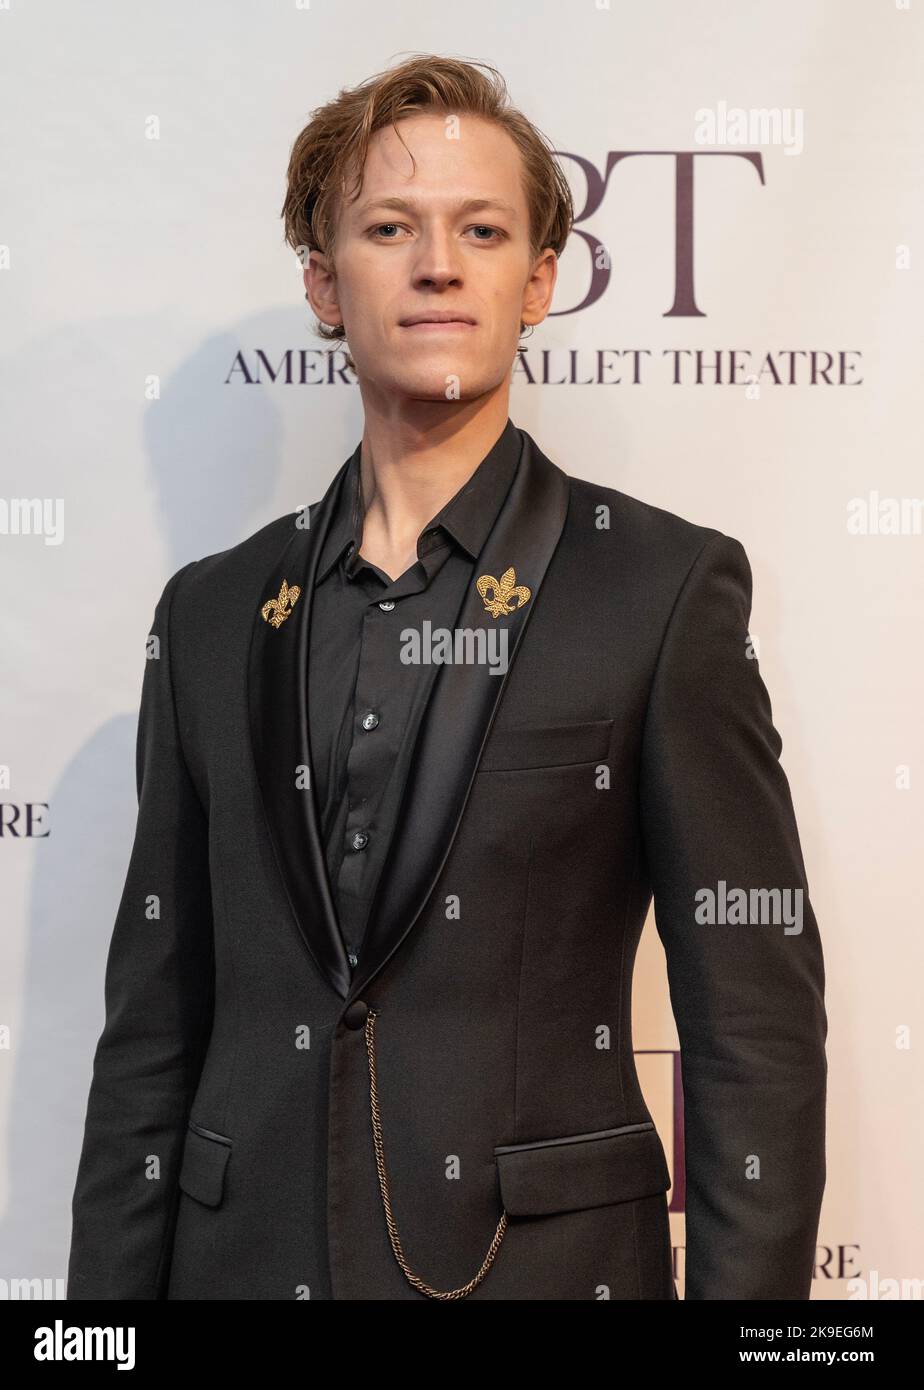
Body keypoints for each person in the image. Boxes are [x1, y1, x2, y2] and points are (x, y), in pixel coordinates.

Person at [67, 53, 827, 1300]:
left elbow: (754, 1030)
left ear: (536, 283)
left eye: (481, 230)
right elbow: (154, 1024)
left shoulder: (660, 590)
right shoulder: (207, 615)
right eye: (388, 227)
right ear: (323, 281)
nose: (436, 264)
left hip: (543, 1270)